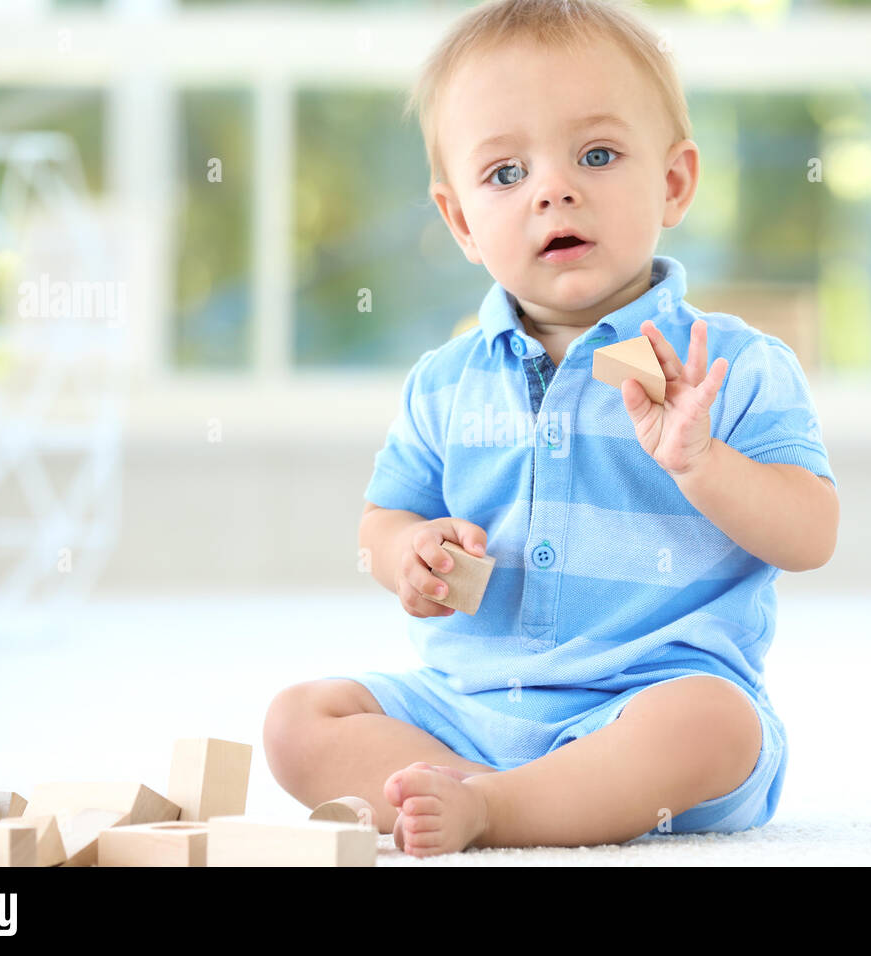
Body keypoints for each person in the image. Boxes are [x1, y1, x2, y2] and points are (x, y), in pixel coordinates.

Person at [264, 0, 840, 857]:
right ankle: (490, 792)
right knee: (298, 722)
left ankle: (499, 811)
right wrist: (409, 555)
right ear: (459, 219)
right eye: (504, 174)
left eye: (598, 155)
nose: (553, 189)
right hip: (467, 710)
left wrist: (701, 461)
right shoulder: (445, 383)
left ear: (674, 183)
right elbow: (383, 521)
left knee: (716, 724)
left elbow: (811, 535)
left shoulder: (733, 366)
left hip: (645, 707)